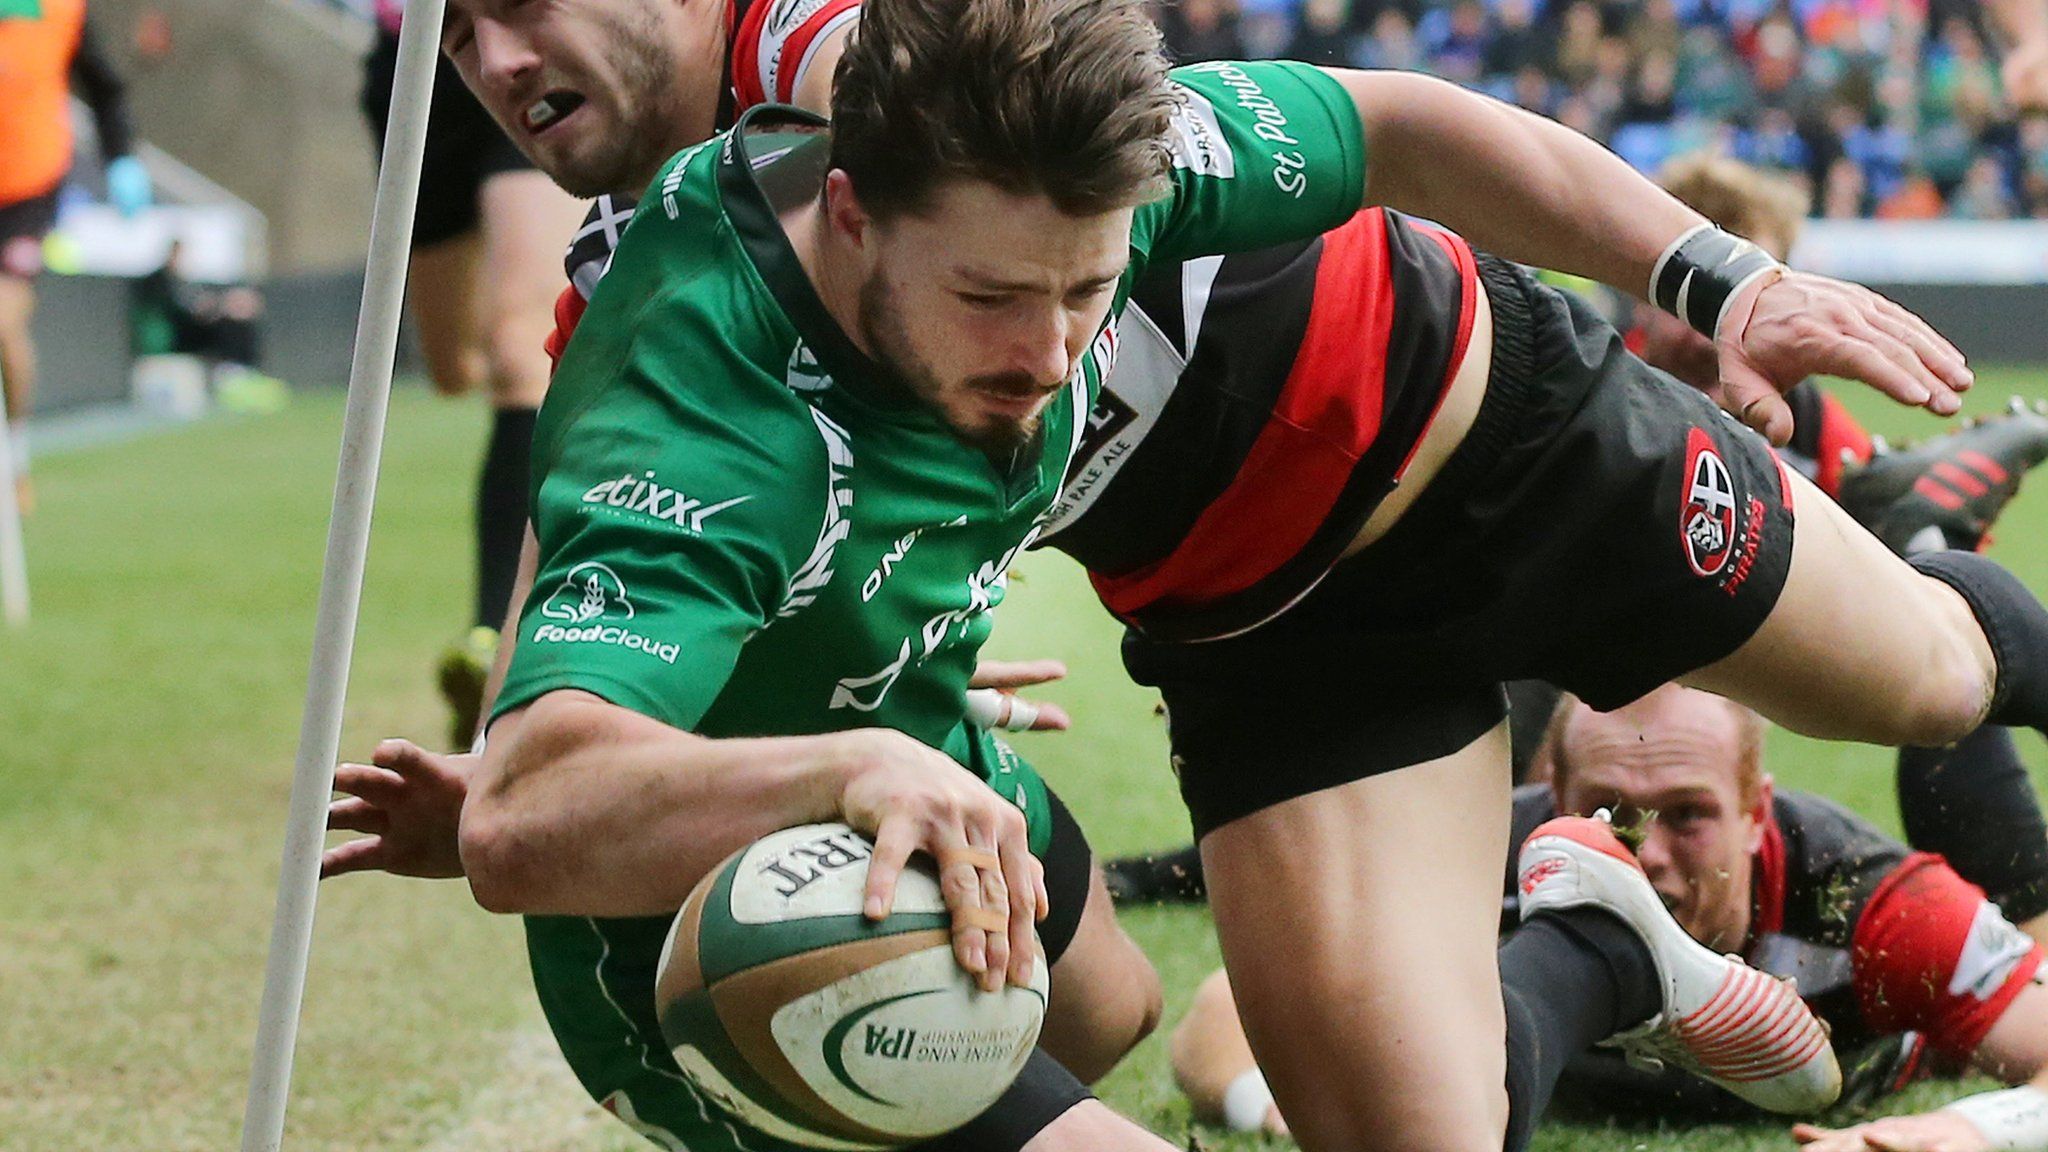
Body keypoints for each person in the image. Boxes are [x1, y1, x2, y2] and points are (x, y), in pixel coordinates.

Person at [334, 0, 2048, 1147]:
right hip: (1267, 632)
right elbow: (581, 681)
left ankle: (1910, 529)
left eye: (523, 1)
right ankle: (1605, 947)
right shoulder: (668, 311)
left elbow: (1398, 126)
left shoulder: (930, 76)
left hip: (1496, 437)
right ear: (850, 218)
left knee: (1927, 677)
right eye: (451, 24)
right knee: (1406, 1134)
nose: (489, 55)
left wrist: (1716, 281)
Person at [1168, 685, 2048, 1151]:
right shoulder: (1485, 858)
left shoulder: (1870, 907)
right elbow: (1220, 1014)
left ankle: (1935, 546)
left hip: (1913, 1027)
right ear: (1553, 799)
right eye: (1613, 817)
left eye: (1689, 815)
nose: (1650, 856)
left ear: (1755, 811)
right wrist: (1276, 1107)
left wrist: (1964, 1128)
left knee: (1956, 753)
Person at [359, 0, 586, 746]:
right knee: (454, 365)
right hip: (416, 57)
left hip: (525, 36)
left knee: (522, 346)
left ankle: (495, 634)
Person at [0, 0, 147, 514]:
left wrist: (123, 157)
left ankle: (14, 461)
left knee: (3, 323)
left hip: (25, 191)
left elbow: (104, 89)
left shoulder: (61, 10)